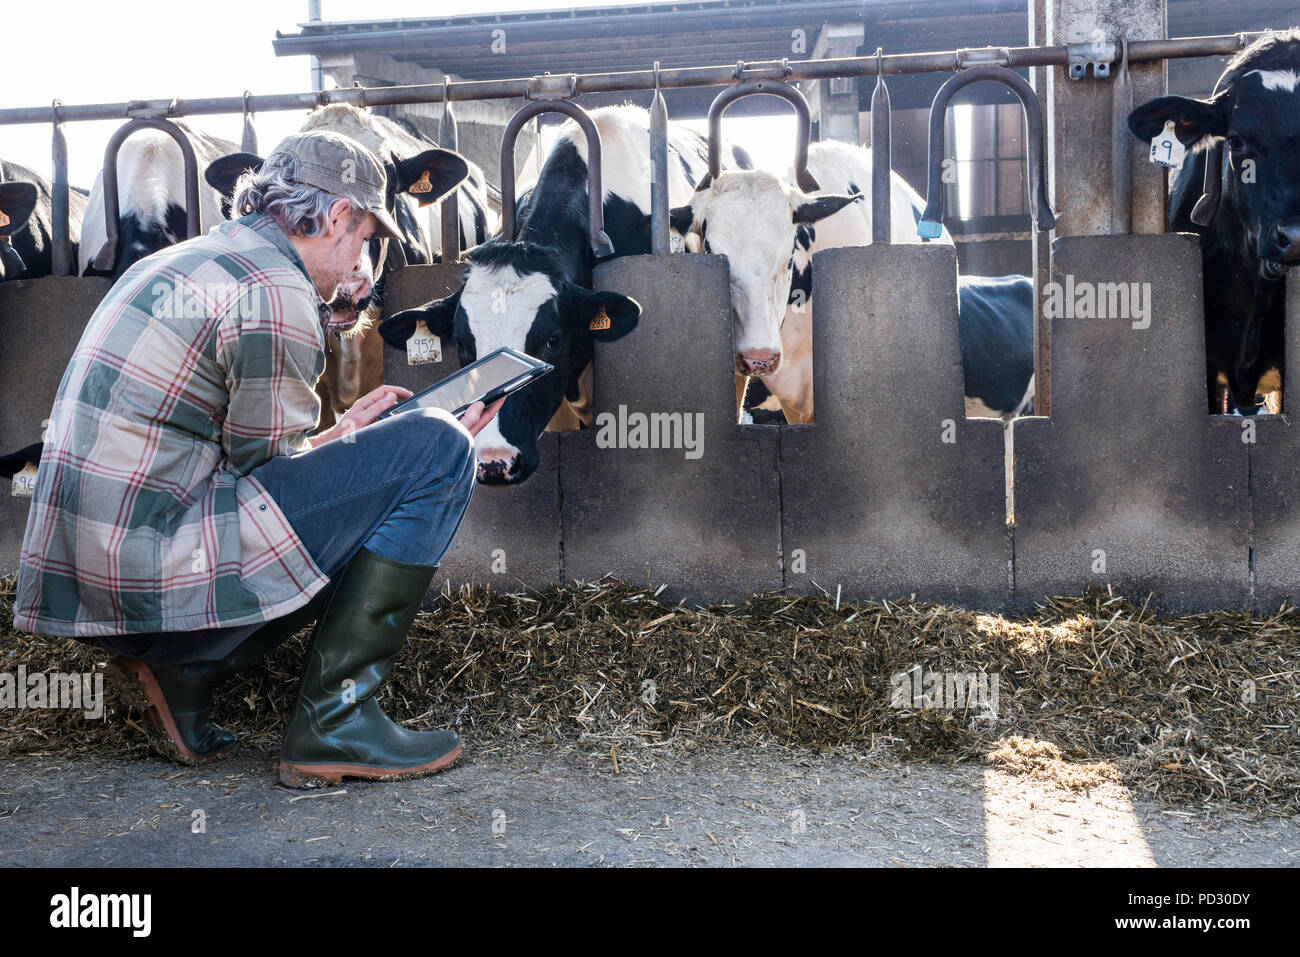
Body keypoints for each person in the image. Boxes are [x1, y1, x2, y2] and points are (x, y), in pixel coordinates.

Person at [12, 130, 502, 788]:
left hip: (94, 583)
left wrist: (347, 432)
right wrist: (432, 438)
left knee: (407, 451)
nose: (361, 258)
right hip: (152, 580)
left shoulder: (184, 260)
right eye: (363, 237)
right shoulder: (277, 289)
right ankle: (336, 720)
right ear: (335, 219)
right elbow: (269, 479)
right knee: (438, 450)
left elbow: (244, 460)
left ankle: (183, 676)